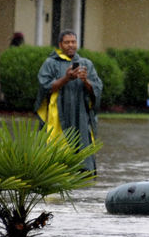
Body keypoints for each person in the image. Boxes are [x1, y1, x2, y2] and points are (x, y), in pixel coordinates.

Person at [36, 29, 102, 173]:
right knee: (56, 149)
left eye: (73, 42)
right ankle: (54, 174)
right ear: (60, 44)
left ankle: (82, 176)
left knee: (82, 149)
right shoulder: (50, 63)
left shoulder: (86, 64)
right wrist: (66, 78)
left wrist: (86, 81)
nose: (71, 45)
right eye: (67, 42)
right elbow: (45, 86)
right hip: (58, 115)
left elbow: (96, 89)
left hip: (81, 115)